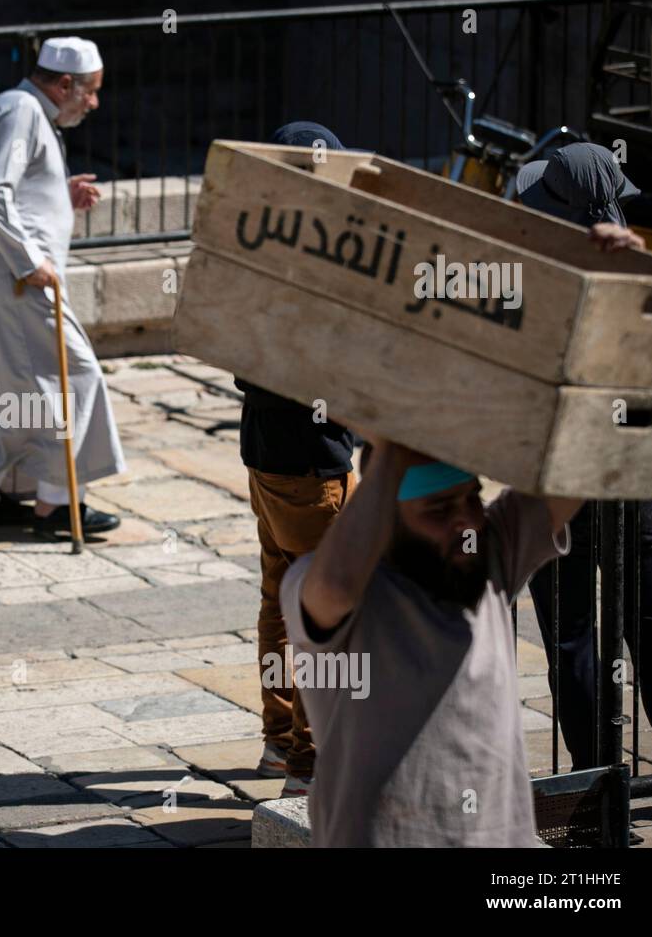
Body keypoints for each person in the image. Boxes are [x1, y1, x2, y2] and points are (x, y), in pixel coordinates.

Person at [283, 439, 583, 846]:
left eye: (472, 499)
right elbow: (334, 589)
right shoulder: (331, 586)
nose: (465, 522)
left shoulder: (488, 558)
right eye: (438, 510)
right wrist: (393, 439)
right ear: (385, 519)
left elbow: (576, 466)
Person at [516, 143, 652, 771]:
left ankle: (597, 782)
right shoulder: (643, 281)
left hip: (562, 481)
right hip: (632, 476)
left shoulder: (533, 283)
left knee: (572, 633)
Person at [0, 35, 126, 536]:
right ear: (65, 84)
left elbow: (12, 186)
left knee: (2, 388)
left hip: (3, 282)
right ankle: (55, 503)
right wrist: (29, 263)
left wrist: (58, 193)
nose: (94, 103)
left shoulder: (20, 109)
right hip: (20, 283)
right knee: (78, 376)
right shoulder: (23, 110)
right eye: (90, 91)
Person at [236, 121, 357, 798]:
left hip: (266, 453)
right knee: (320, 613)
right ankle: (308, 760)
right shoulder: (312, 260)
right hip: (311, 464)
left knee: (280, 603)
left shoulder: (260, 244)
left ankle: (281, 743)